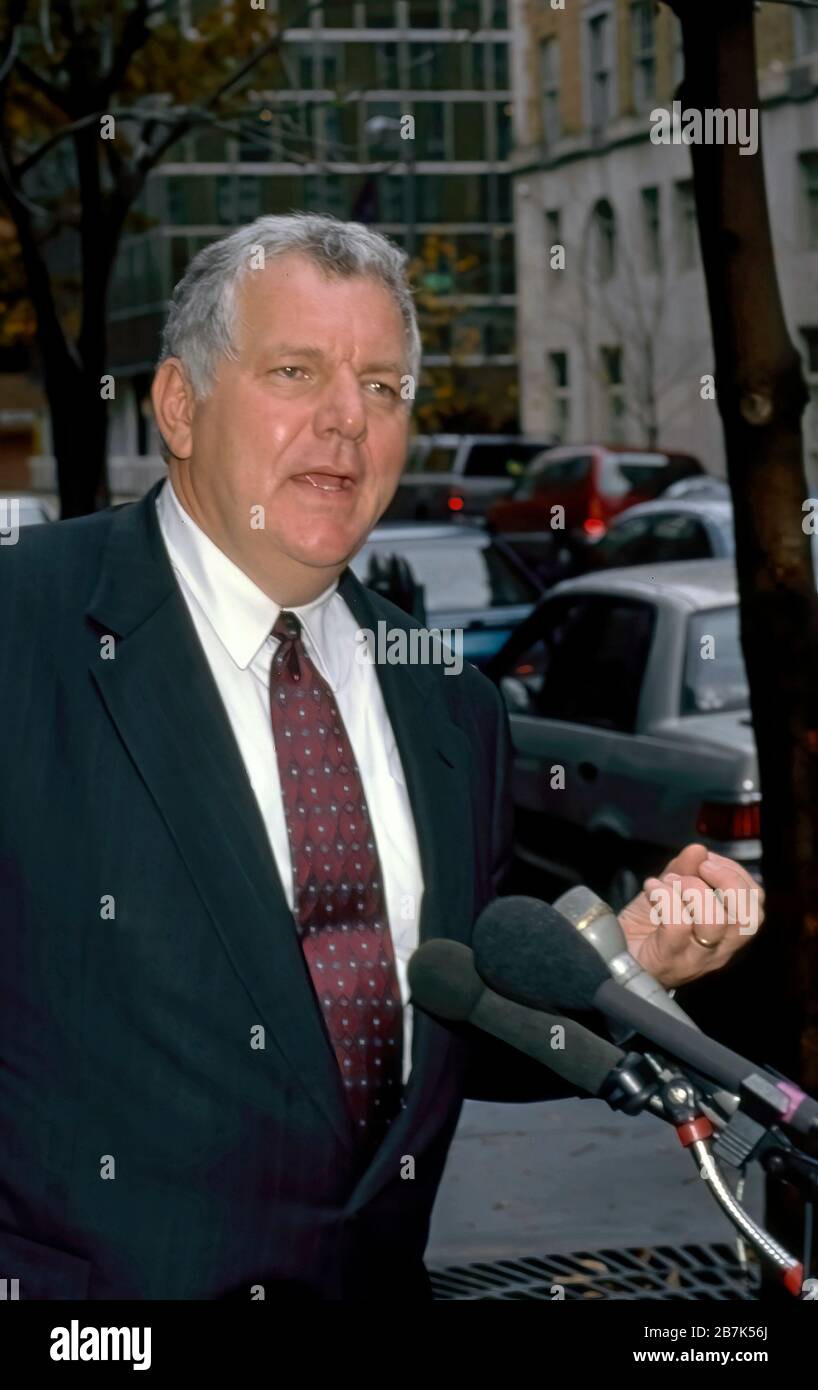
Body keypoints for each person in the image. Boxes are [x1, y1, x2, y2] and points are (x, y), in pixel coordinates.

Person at [0, 213, 760, 1300]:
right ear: (178, 403)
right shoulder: (24, 628)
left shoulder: (449, 703)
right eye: (295, 370)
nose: (347, 421)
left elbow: (428, 1032)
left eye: (386, 387)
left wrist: (618, 964)